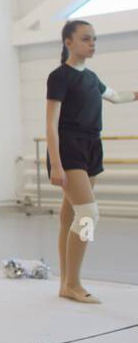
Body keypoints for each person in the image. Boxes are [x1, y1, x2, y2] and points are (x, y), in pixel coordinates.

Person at [46, 19, 136, 304]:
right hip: (69, 147)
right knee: (88, 215)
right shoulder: (59, 77)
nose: (92, 43)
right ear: (68, 42)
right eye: (86, 39)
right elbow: (51, 124)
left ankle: (65, 284)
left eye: (94, 39)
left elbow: (116, 96)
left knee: (70, 216)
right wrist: (57, 164)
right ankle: (73, 283)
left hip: (92, 146)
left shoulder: (92, 78)